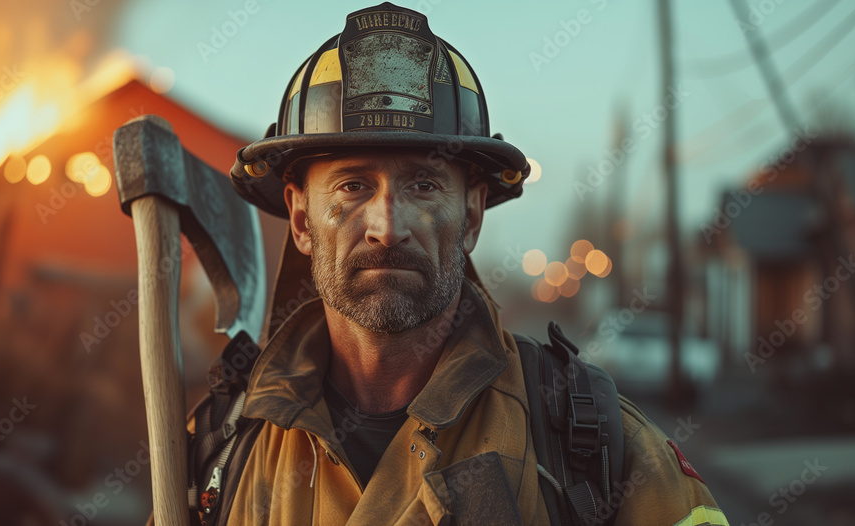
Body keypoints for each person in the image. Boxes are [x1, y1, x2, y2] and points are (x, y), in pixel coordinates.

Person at [174, 3, 728, 525]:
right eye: (352, 185)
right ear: (300, 219)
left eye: (423, 185)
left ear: (471, 216)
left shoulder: (595, 445)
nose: (388, 226)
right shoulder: (219, 450)